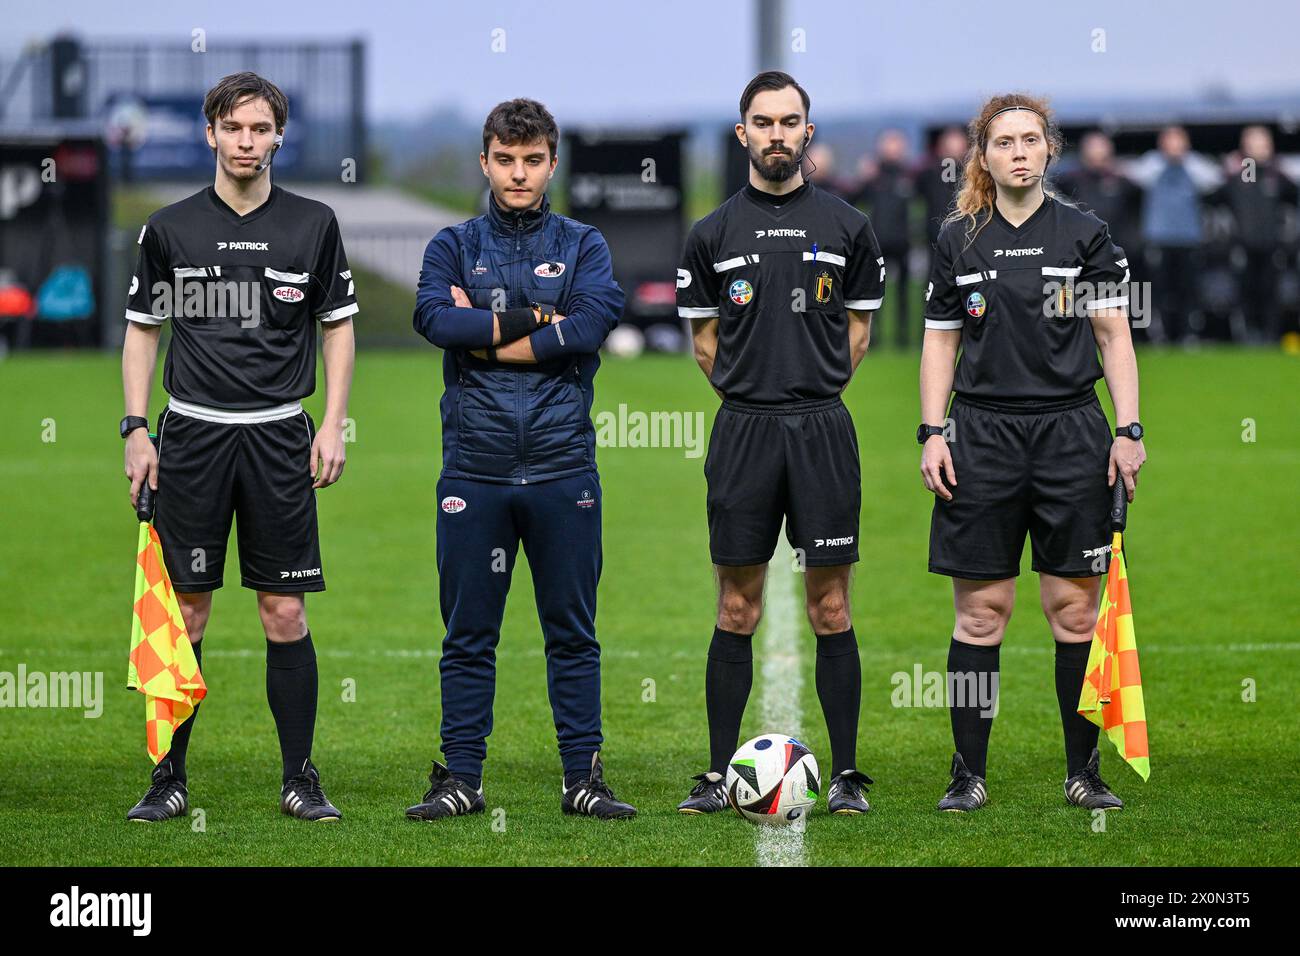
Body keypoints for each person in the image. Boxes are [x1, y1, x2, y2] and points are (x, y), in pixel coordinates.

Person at [121, 72, 357, 822]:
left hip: (280, 436)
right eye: (235, 128)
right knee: (184, 615)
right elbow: (141, 333)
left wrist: (333, 421)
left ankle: (300, 779)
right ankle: (167, 779)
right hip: (188, 434)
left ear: (279, 135)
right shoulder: (169, 229)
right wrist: (135, 429)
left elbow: (339, 327)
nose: (247, 142)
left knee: (284, 611)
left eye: (260, 129)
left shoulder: (314, 223)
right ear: (211, 133)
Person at [917, 93, 1146, 813]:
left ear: (1050, 150)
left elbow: (1114, 336)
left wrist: (1128, 430)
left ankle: (1085, 773)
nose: (1018, 152)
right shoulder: (958, 238)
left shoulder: (1086, 233)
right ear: (982, 156)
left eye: (1030, 140)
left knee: (1074, 616)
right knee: (981, 615)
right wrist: (932, 432)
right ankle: (967, 774)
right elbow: (940, 342)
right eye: (1003, 142)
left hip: (1071, 435)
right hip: (979, 437)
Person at [409, 98, 635, 821]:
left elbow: (596, 318)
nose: (518, 172)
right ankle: (461, 781)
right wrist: (541, 320)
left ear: (551, 163)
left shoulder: (583, 243)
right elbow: (434, 319)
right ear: (484, 162)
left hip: (562, 466)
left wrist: (482, 333)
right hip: (473, 469)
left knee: (572, 634)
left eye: (531, 159)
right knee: (468, 635)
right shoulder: (450, 244)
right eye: (505, 159)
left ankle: (583, 779)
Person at [675, 71, 884, 815]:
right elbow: (705, 344)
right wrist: (757, 394)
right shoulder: (710, 235)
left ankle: (850, 775)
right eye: (762, 122)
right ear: (742, 134)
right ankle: (712, 772)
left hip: (823, 428)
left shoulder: (848, 228)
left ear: (808, 132)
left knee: (831, 607)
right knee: (738, 606)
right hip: (744, 430)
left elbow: (857, 335)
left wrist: (809, 389)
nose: (776, 134)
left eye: (789, 122)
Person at [1128, 125, 1222, 344]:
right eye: (1170, 142)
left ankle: (1187, 334)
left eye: (1179, 142)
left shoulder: (1194, 165)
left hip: (1189, 238)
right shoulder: (1152, 164)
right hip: (1158, 237)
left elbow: (1216, 178)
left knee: (1188, 290)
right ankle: (1160, 335)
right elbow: (1131, 175)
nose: (1175, 147)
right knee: (1158, 290)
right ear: (1162, 144)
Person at [1211, 126, 1299, 343]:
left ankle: (1271, 336)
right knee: (1246, 293)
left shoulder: (1276, 173)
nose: (1260, 147)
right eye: (1254, 143)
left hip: (1271, 244)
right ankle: (1249, 335)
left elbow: (1292, 195)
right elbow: (1218, 195)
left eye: (1263, 143)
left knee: (1271, 292)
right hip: (1244, 245)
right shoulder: (1243, 171)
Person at [853, 129, 916, 348]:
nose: (892, 148)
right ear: (881, 147)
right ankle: (874, 337)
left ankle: (903, 337)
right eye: (888, 144)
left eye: (896, 144)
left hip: (903, 243)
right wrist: (862, 177)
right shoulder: (873, 175)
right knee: (875, 292)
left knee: (904, 293)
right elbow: (853, 198)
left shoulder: (909, 175)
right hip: (877, 243)